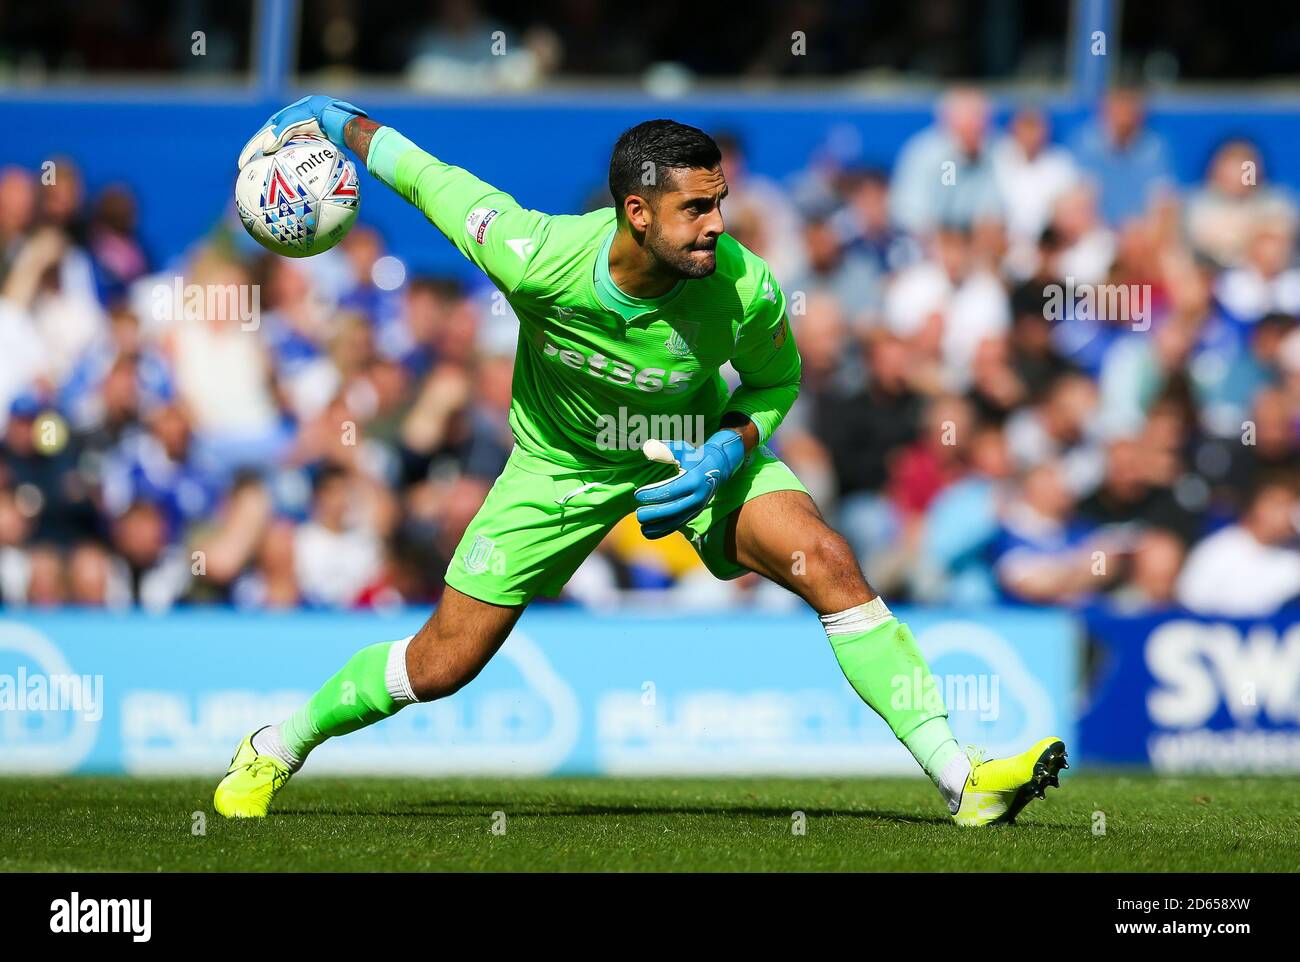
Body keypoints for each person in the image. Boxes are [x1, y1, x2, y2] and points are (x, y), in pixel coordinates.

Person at [214, 95, 1068, 827]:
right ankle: (275, 746)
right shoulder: (533, 253)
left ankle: (964, 779)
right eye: (698, 209)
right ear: (637, 213)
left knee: (829, 559)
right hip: (560, 467)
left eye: (721, 202)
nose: (718, 225)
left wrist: (722, 455)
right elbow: (423, 175)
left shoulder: (743, 285)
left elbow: (777, 381)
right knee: (441, 663)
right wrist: (333, 118)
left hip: (693, 450)